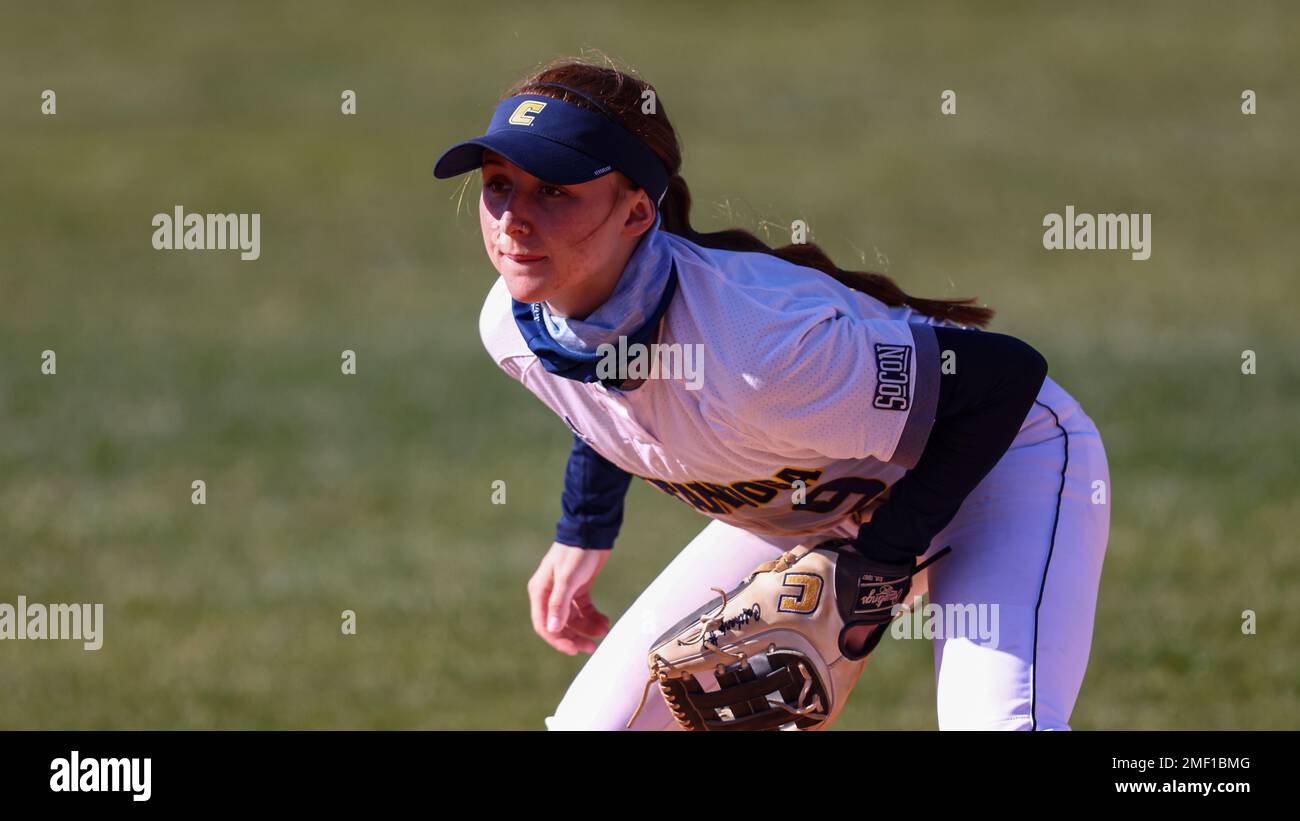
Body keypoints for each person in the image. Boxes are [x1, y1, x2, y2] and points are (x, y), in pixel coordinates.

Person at [433, 57, 1110, 730]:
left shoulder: (755, 352)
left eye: (554, 191)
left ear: (638, 212)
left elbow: (1006, 379)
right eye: (499, 185)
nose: (513, 218)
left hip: (1000, 461)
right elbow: (609, 386)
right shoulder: (516, 327)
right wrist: (585, 525)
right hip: (818, 496)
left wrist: (881, 556)